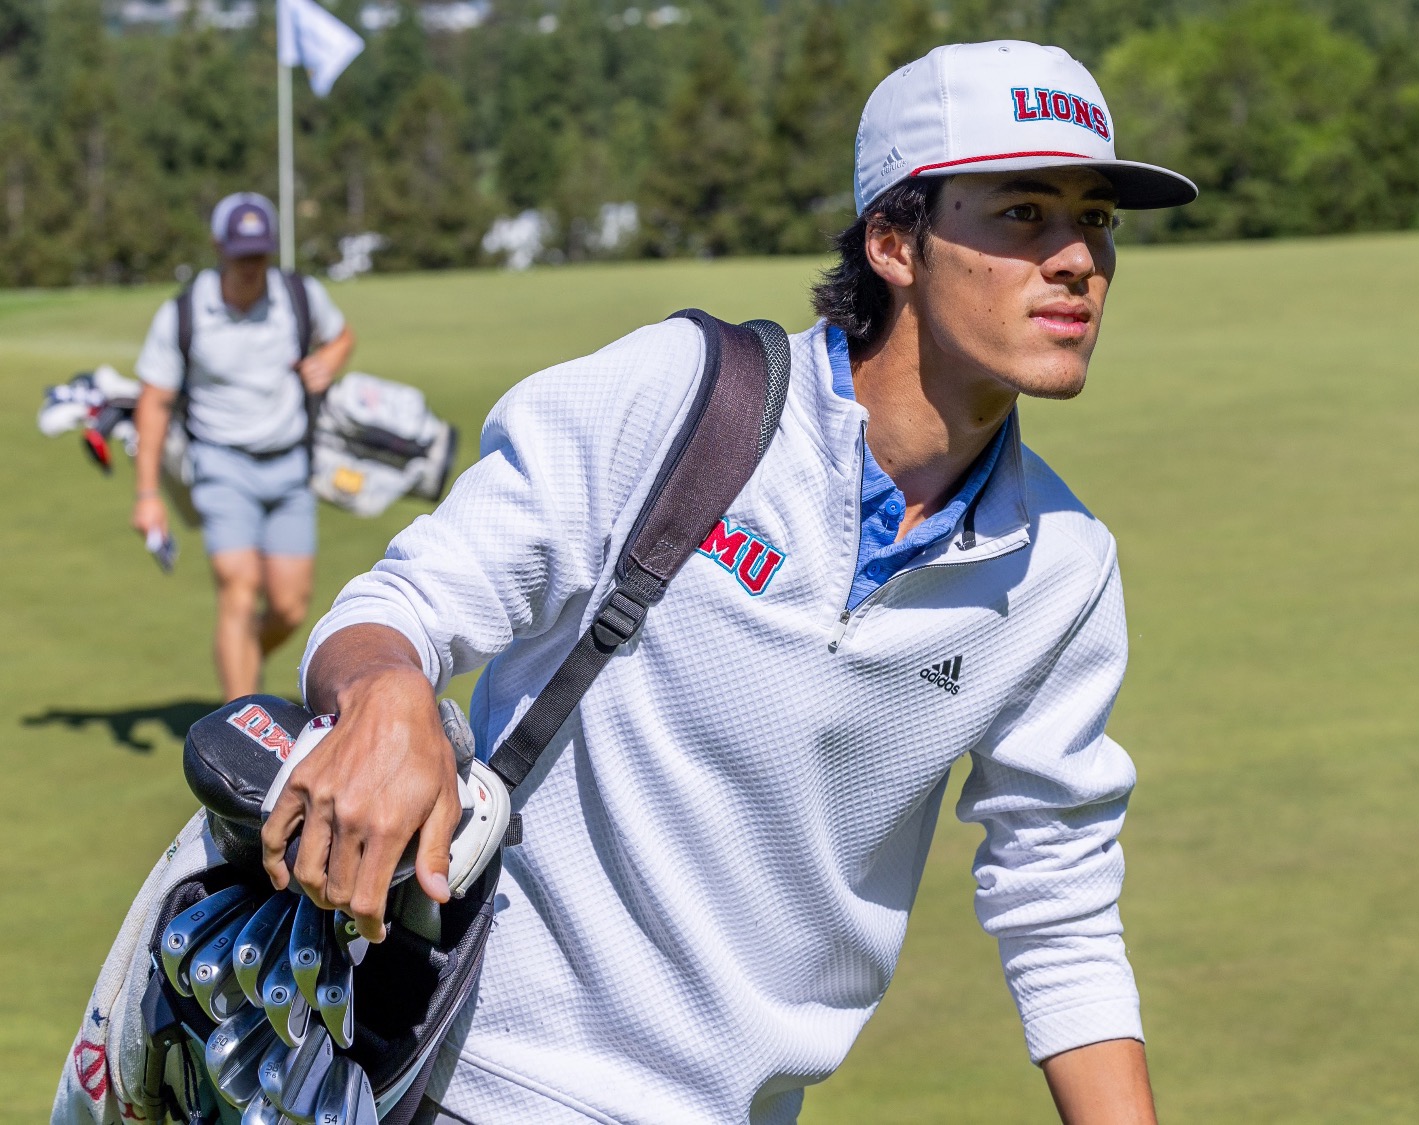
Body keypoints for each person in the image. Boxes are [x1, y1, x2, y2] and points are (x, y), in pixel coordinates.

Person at [272, 41, 1195, 1124]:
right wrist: (386, 694)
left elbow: (1060, 904)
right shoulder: (683, 398)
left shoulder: (1063, 566)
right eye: (1023, 214)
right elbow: (401, 609)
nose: (1079, 259)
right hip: (467, 1080)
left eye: (1096, 220)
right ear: (894, 242)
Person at [131, 192, 355, 700]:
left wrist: (331, 359)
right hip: (219, 463)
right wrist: (147, 496)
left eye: (260, 254)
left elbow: (341, 335)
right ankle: (239, 726)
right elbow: (154, 402)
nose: (251, 267)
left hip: (291, 464)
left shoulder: (298, 295)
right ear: (218, 247)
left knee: (291, 606)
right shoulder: (185, 312)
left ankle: (242, 654)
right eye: (241, 255)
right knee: (238, 584)